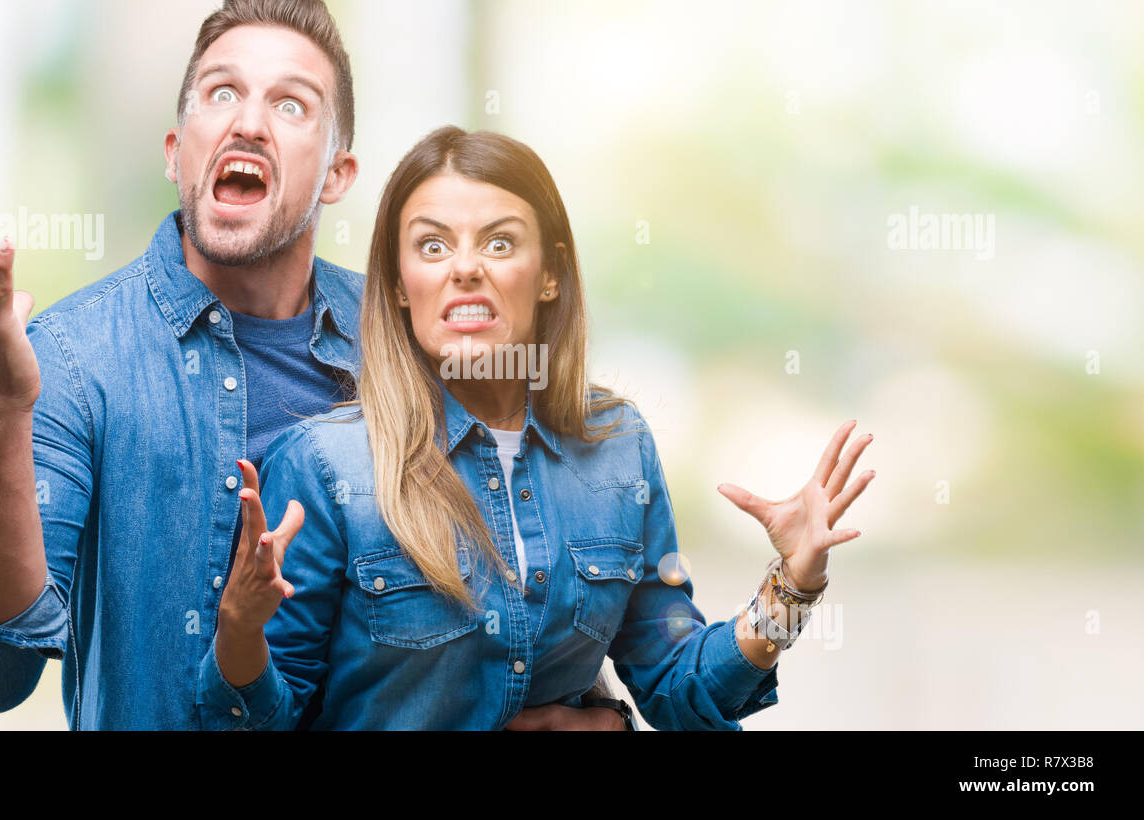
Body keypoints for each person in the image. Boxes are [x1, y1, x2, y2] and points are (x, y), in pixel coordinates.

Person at [0, 0, 624, 730]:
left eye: (291, 103)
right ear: (175, 150)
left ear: (337, 173)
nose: (248, 122)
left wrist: (592, 707)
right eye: (222, 92)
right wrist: (2, 410)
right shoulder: (71, 355)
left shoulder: (417, 342)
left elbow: (534, 582)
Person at [198, 126, 876, 730]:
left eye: (499, 242)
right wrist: (237, 631)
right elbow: (253, 721)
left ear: (549, 274)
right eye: (432, 244)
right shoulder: (326, 465)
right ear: (401, 284)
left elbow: (676, 684)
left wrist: (792, 587)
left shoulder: (617, 448)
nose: (466, 267)